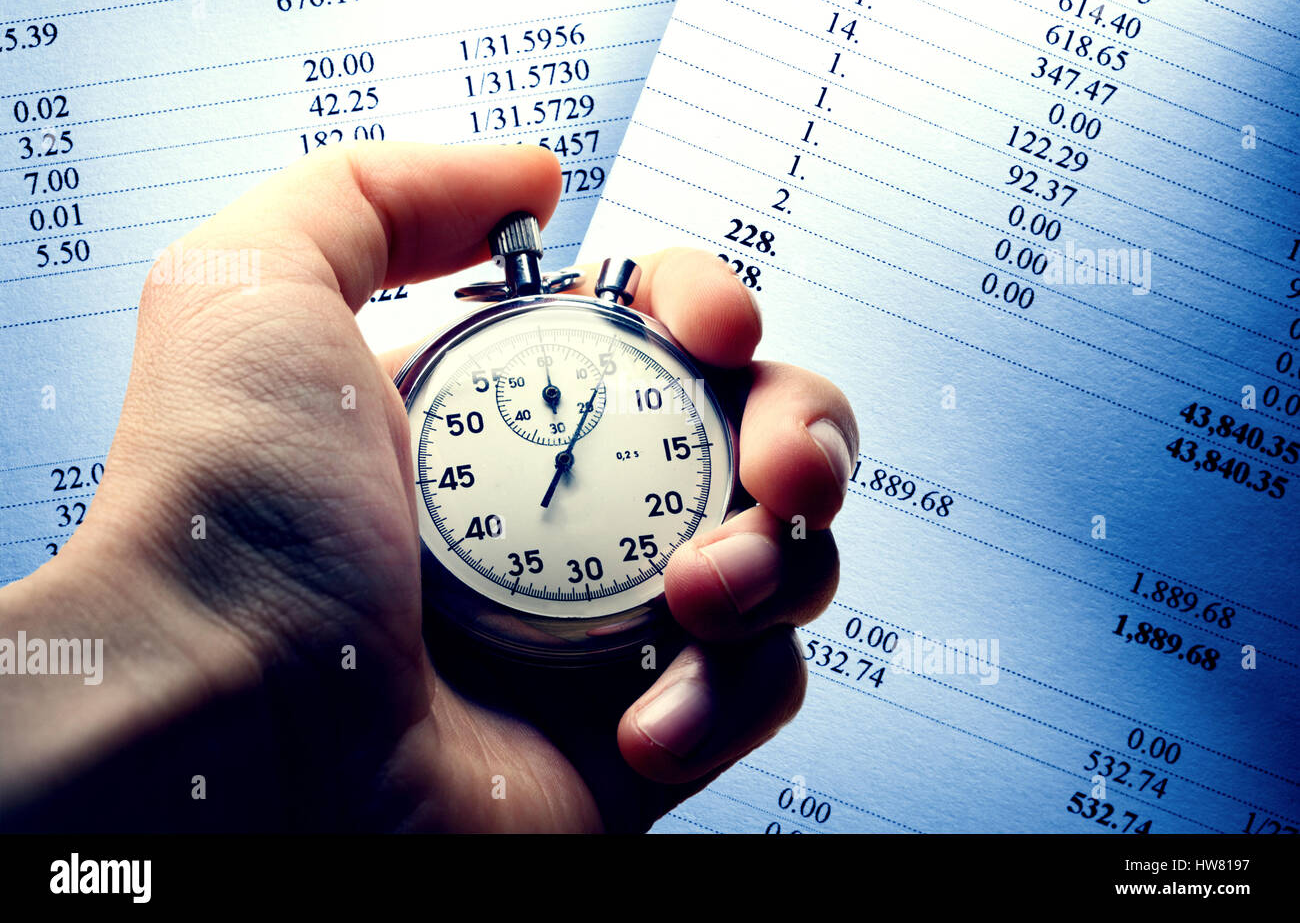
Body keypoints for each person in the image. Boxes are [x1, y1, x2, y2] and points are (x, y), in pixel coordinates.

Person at [0, 144, 857, 832]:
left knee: (749, 511)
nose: (561, 454)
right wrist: (219, 620)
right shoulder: (419, 410)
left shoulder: (645, 370)